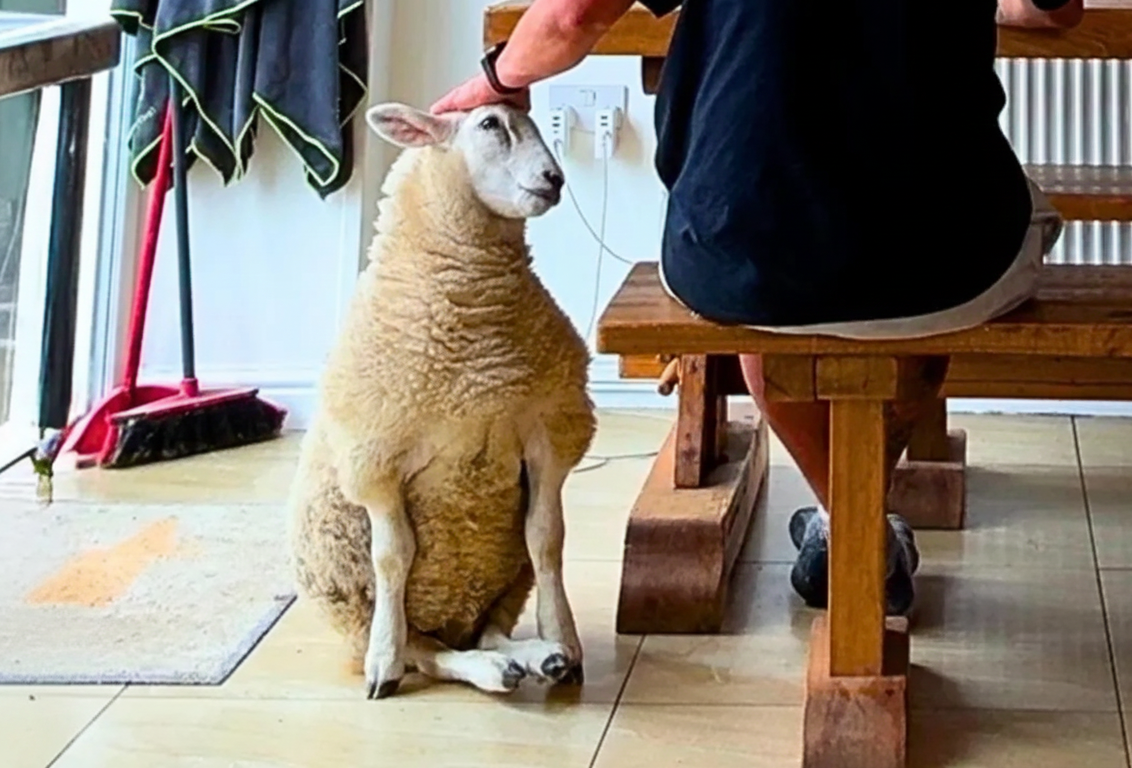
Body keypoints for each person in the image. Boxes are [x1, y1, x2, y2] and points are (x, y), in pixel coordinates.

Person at [432, 0, 1084, 614]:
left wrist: (497, 76)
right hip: (949, 270)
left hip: (745, 268)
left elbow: (573, 15)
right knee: (941, 228)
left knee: (757, 248)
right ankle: (857, 517)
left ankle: (849, 522)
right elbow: (1057, 10)